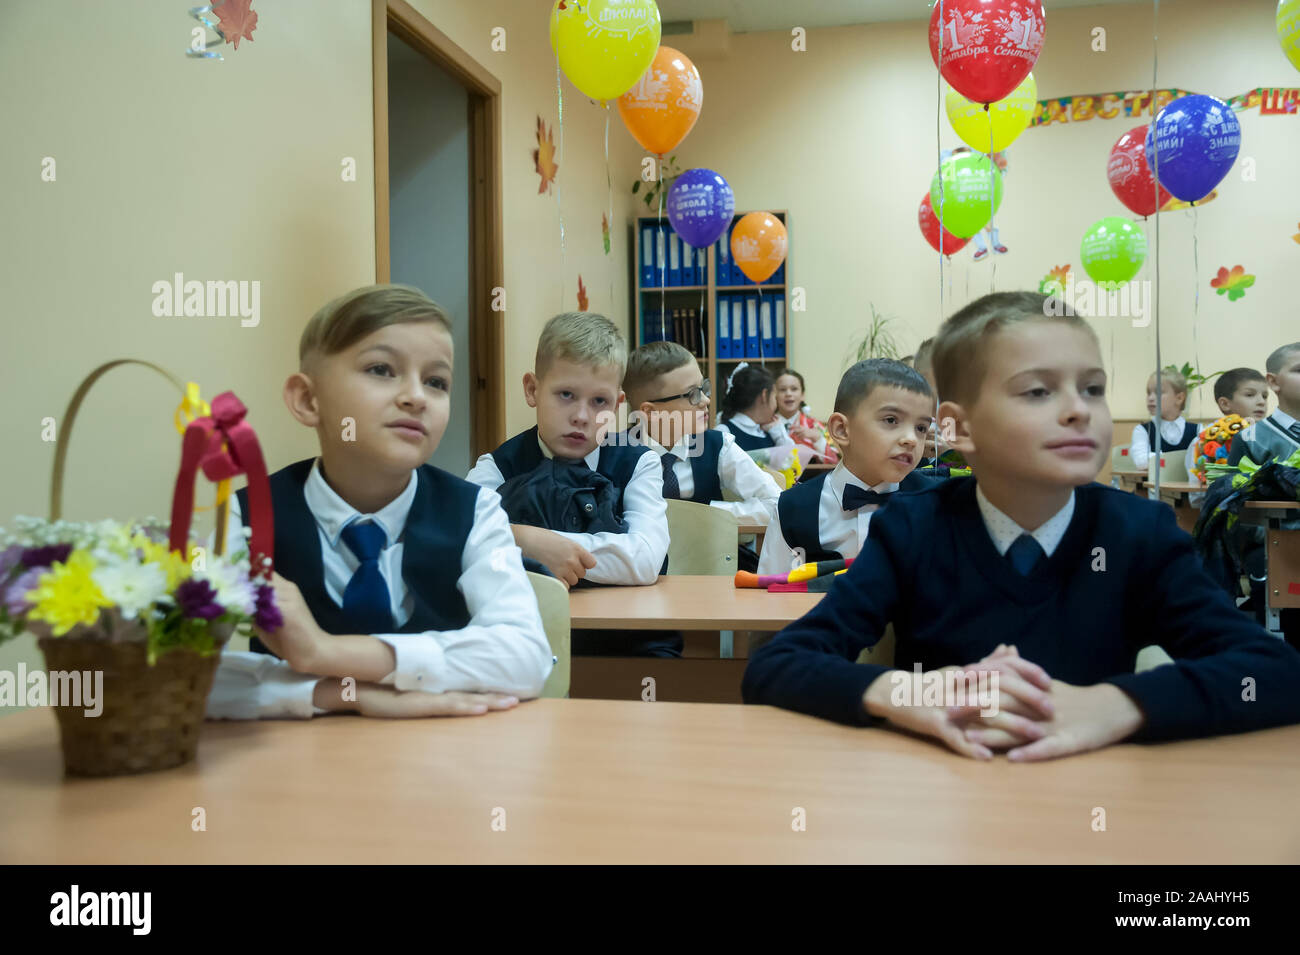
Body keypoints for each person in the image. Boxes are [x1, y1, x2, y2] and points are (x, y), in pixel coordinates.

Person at [743, 291, 1300, 761]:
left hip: (1097, 799)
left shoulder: (1138, 533)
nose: (1079, 410)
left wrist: (1117, 703)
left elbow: (1274, 672)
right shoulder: (913, 527)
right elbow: (776, 666)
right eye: (1038, 391)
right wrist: (911, 691)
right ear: (959, 428)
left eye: (1093, 388)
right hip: (944, 795)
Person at [207, 284, 553, 720]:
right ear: (308, 399)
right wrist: (341, 693)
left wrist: (323, 652)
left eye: (436, 381)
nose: (416, 396)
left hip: (445, 764)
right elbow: (176, 676)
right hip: (288, 772)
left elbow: (525, 657)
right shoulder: (248, 518)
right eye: (381, 370)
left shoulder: (475, 511)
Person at [757, 359, 937, 576]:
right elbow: (769, 594)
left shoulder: (936, 504)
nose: (911, 439)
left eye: (921, 427)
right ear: (841, 430)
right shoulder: (793, 509)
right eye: (891, 420)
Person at [774, 368, 838, 464]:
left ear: (802, 395)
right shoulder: (765, 425)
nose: (788, 393)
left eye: (794, 389)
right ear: (774, 395)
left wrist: (817, 439)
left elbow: (834, 461)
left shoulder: (814, 425)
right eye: (782, 390)